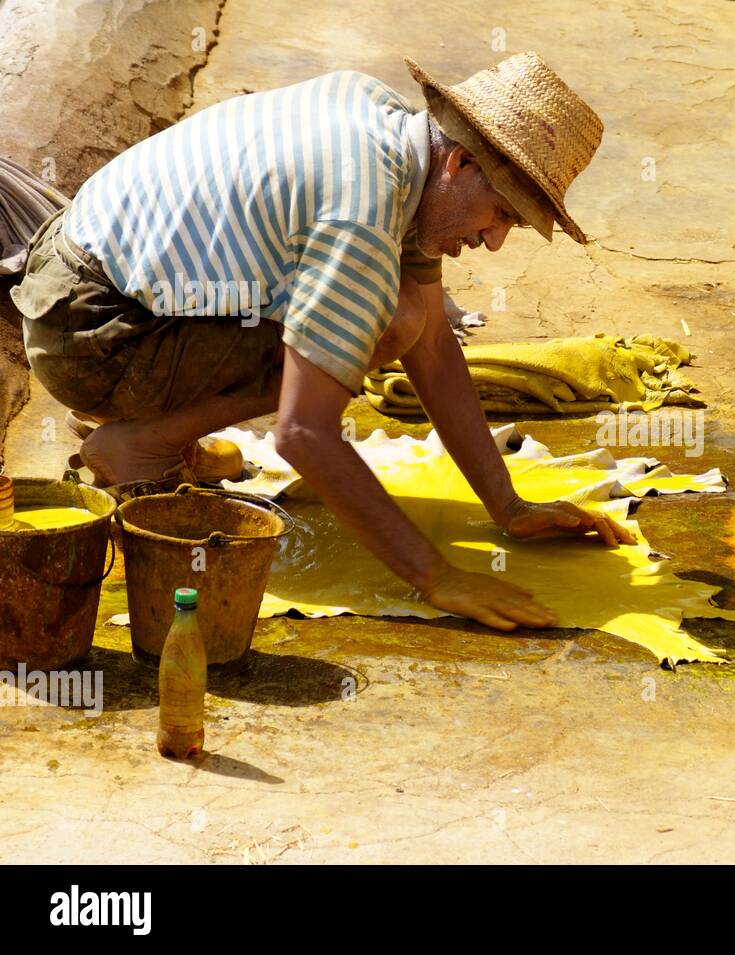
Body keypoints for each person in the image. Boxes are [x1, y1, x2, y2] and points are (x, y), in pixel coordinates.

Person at [8, 52, 634, 632]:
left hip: (87, 285)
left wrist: (509, 505)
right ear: (461, 162)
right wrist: (436, 577)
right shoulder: (361, 204)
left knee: (405, 311)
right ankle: (140, 441)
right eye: (500, 214)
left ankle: (146, 416)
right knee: (384, 318)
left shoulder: (391, 128)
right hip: (92, 335)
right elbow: (303, 434)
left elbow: (437, 347)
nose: (494, 240)